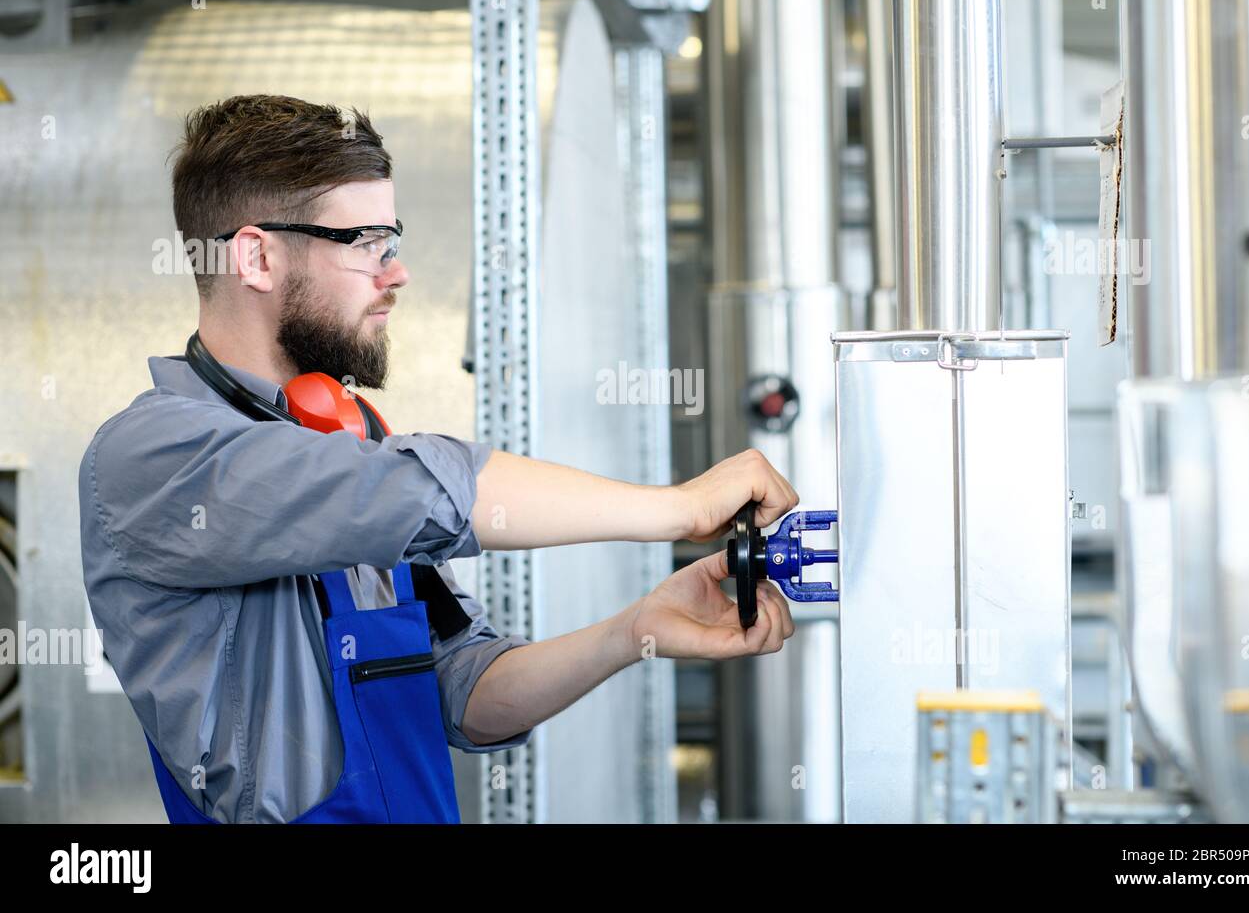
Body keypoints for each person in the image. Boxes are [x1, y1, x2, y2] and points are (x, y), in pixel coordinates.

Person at [78, 94, 797, 823]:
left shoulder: (343, 443)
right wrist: (677, 507)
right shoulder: (155, 458)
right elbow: (412, 492)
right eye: (367, 244)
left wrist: (634, 630)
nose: (397, 274)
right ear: (257, 256)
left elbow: (465, 693)